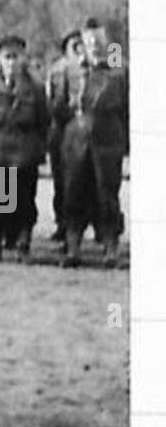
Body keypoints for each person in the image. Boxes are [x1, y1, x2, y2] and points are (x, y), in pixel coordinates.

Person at [52, 17, 129, 268]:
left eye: (99, 40)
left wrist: (123, 143)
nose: (94, 45)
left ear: (107, 41)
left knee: (107, 194)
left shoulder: (119, 71)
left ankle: (110, 249)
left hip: (108, 140)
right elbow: (57, 108)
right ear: (81, 43)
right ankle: (73, 248)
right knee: (73, 192)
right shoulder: (68, 70)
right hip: (75, 141)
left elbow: (127, 110)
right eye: (88, 41)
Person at [0, 34, 48, 262]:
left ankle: (22, 243)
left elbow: (43, 120)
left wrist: (36, 147)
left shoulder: (35, 87)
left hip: (24, 151)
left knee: (23, 200)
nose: (11, 62)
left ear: (23, 58)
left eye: (16, 57)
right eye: (6, 57)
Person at [46, 28, 85, 245]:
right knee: (63, 183)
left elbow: (119, 69)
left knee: (94, 184)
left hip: (91, 132)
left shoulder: (102, 65)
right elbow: (53, 103)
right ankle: (63, 225)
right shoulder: (58, 69)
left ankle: (101, 229)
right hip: (62, 132)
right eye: (74, 45)